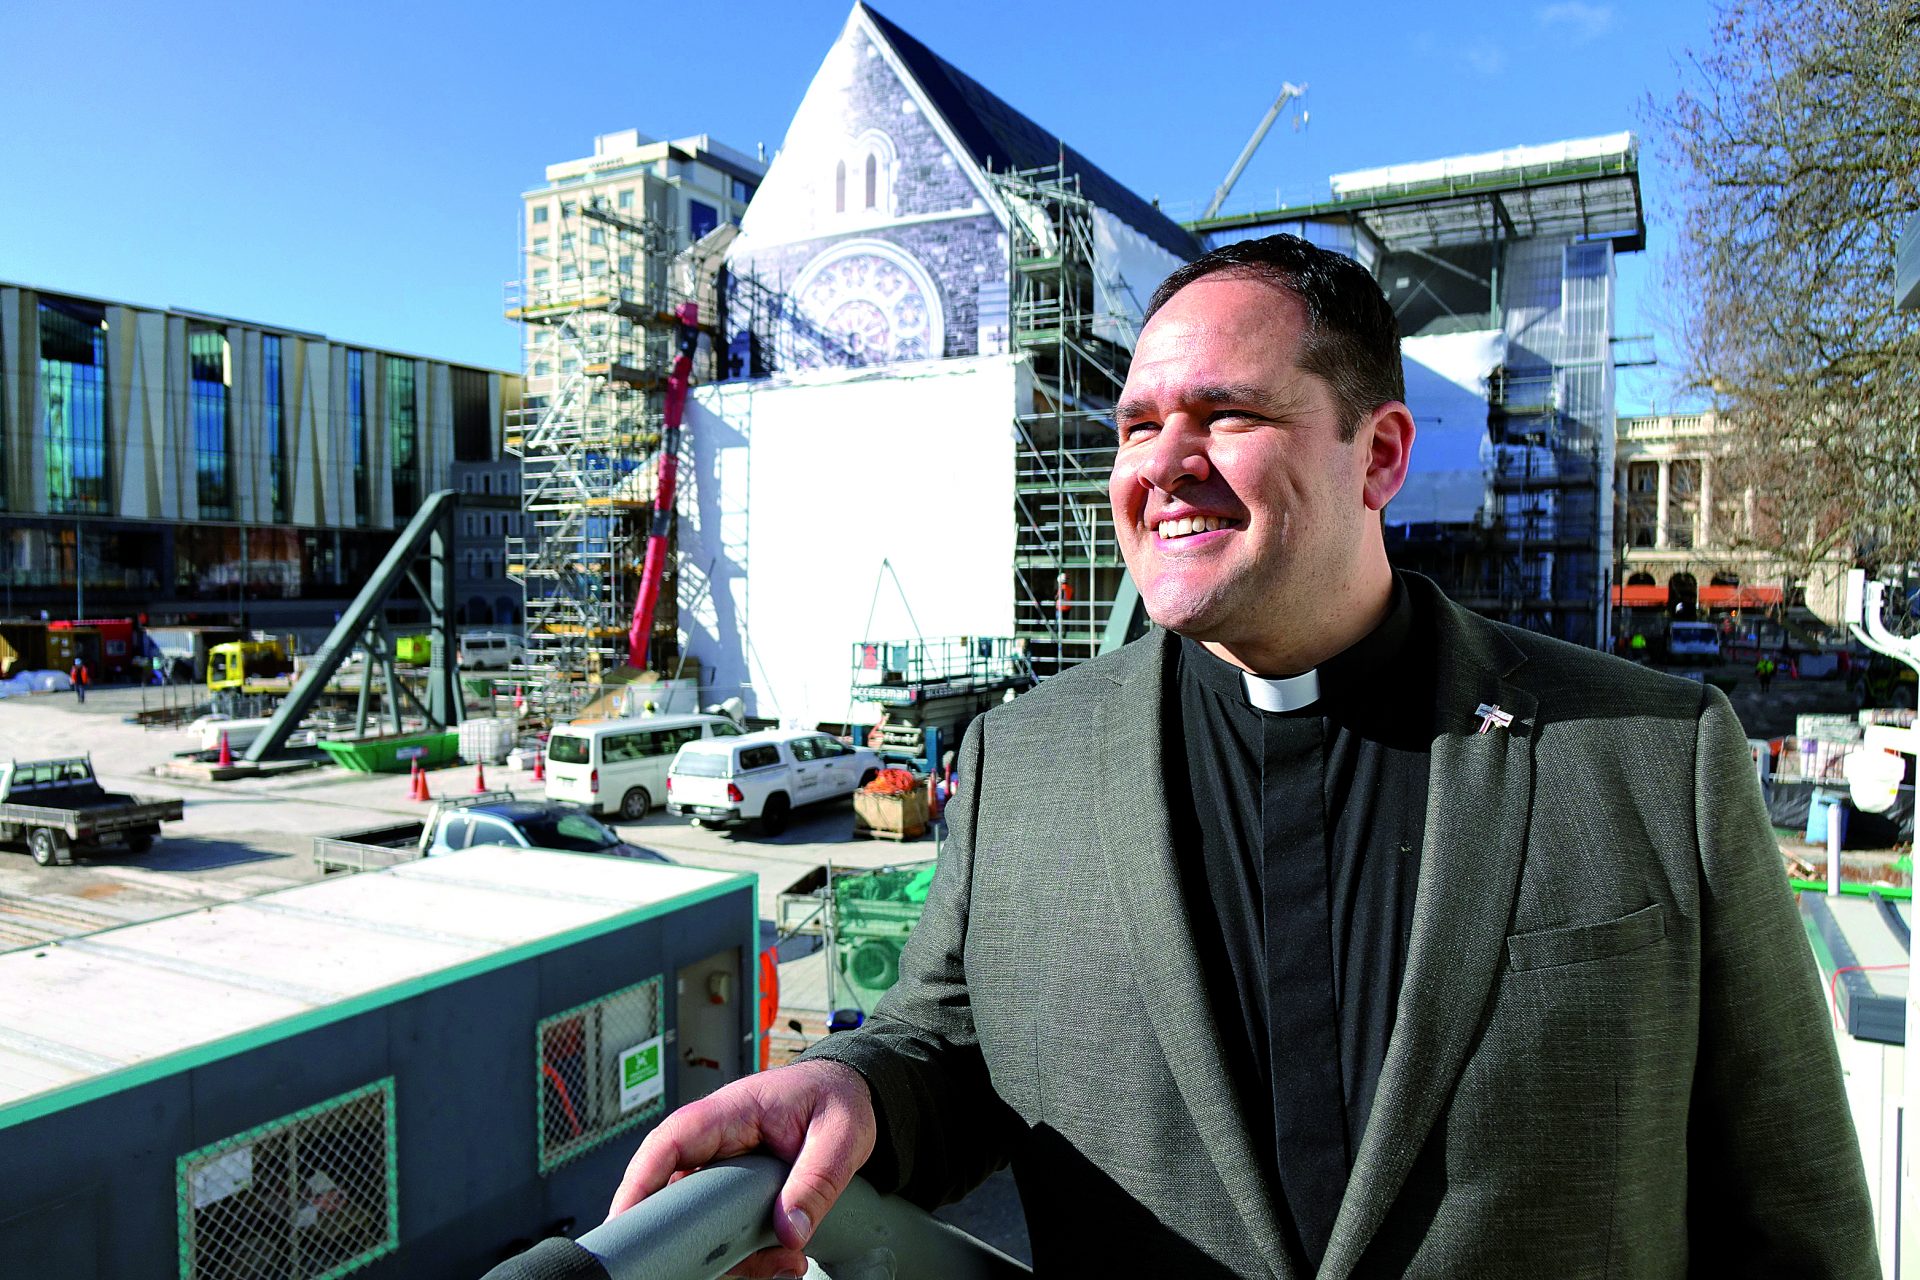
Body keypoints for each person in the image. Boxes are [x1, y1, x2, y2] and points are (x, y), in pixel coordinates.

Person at [611, 235, 1875, 1277]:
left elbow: (1796, 1220)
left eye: (1225, 414)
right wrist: (842, 1084)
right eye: (1139, 423)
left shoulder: (1652, 758)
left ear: (1379, 454)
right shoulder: (1023, 762)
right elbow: (945, 1049)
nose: (1163, 462)